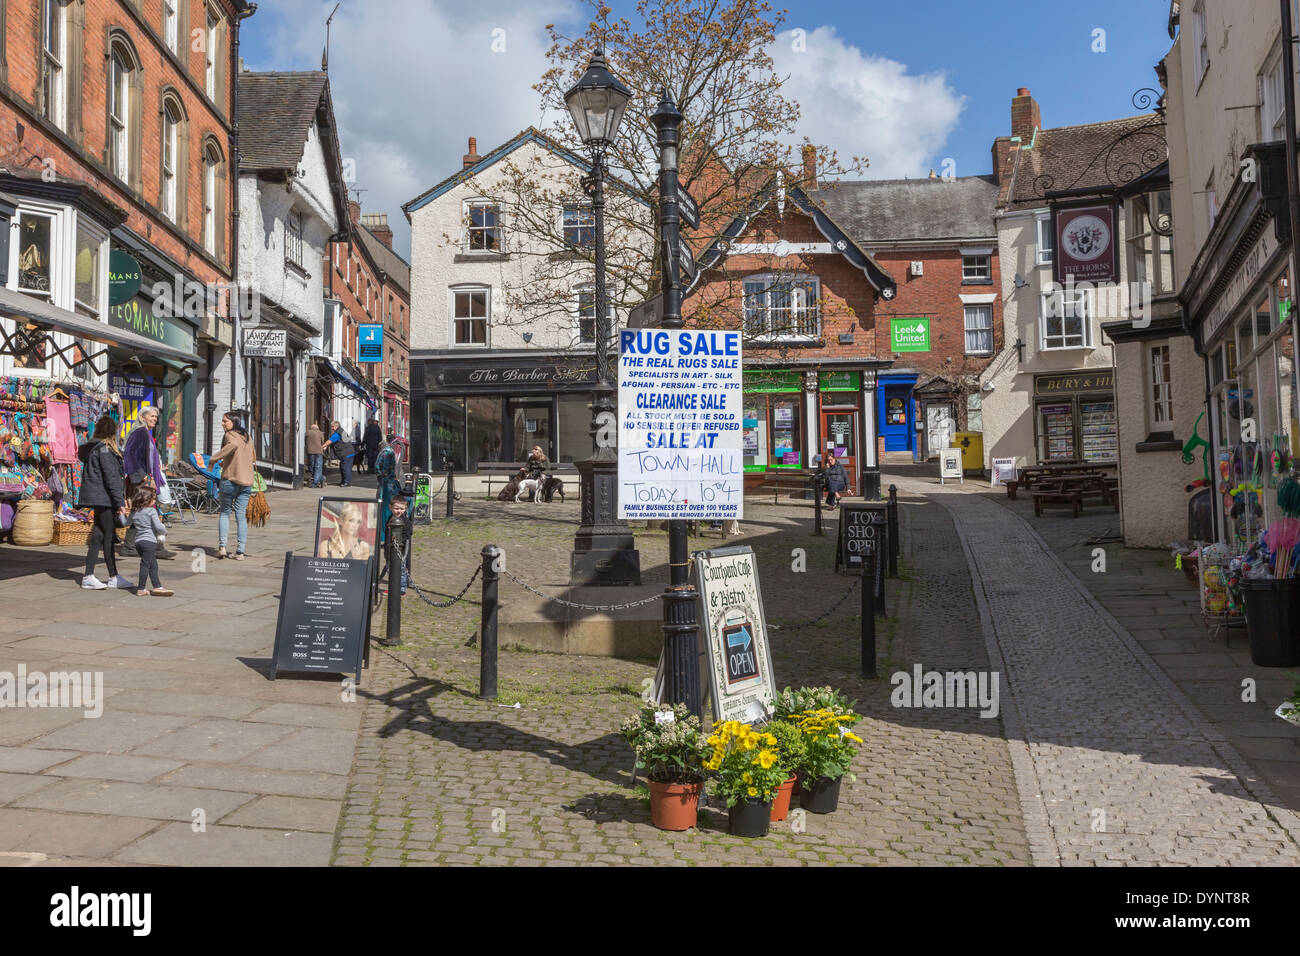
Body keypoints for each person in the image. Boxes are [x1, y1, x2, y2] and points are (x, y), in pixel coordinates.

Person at [77, 415, 131, 590]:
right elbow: (111, 478)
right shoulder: (105, 450)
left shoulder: (93, 448)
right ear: (113, 432)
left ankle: (89, 576)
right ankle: (113, 576)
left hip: (98, 498)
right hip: (104, 498)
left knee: (98, 536)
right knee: (109, 536)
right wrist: (119, 501)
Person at [202, 412, 256, 560]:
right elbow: (250, 457)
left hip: (230, 481)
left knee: (225, 513)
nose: (223, 423)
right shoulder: (248, 436)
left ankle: (222, 548)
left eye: (225, 421)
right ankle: (240, 552)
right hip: (246, 483)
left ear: (234, 421)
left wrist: (214, 459)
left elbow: (232, 446)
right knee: (241, 516)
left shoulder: (230, 435)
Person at [129, 486, 172, 596]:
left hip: (138, 542)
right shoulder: (151, 511)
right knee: (145, 565)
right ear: (146, 499)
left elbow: (125, 523)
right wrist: (164, 531)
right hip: (149, 542)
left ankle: (157, 586)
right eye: (152, 498)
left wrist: (120, 515)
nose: (154, 501)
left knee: (153, 565)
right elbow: (158, 526)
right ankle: (141, 588)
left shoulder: (134, 511)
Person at [374, 437, 402, 544]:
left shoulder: (385, 453)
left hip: (385, 484)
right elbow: (385, 469)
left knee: (385, 508)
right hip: (386, 483)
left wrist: (381, 477)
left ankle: (384, 536)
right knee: (386, 508)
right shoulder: (388, 452)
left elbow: (381, 469)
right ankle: (385, 536)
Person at [385, 494, 413, 595]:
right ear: (390, 507)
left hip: (401, 549)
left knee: (401, 570)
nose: (399, 511)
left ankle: (401, 588)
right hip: (390, 548)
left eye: (401, 509)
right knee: (391, 569)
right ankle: (393, 587)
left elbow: (409, 533)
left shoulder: (405, 520)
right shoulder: (390, 518)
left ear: (405, 509)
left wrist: (401, 542)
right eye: (396, 508)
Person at [323, 421, 356, 487]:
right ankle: (344, 481)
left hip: (346, 453)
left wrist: (323, 446)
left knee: (345, 468)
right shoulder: (341, 431)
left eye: (332, 427)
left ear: (336, 426)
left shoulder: (338, 433)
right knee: (343, 467)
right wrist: (326, 446)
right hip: (348, 452)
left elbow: (330, 440)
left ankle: (347, 482)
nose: (332, 428)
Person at [305, 422, 325, 488]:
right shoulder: (320, 433)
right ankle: (317, 482)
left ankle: (320, 478)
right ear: (317, 428)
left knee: (312, 466)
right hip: (319, 451)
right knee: (318, 466)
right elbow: (322, 442)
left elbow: (305, 441)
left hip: (310, 452)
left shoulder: (307, 432)